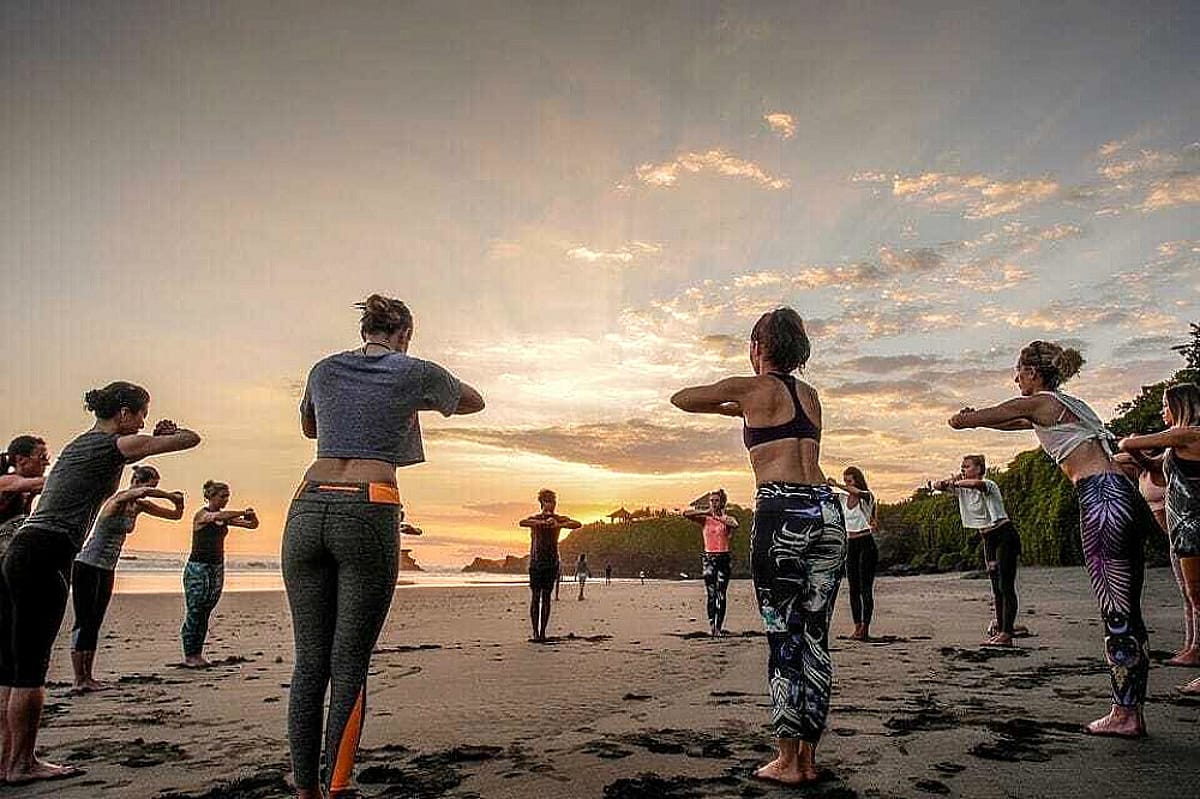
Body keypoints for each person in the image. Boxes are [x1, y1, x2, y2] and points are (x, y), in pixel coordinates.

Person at [284, 294, 483, 799]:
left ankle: (305, 790)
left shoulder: (324, 369)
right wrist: (417, 394)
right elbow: (473, 401)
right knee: (349, 659)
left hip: (307, 504)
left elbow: (311, 427)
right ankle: (339, 784)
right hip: (368, 506)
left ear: (365, 328)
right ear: (405, 335)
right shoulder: (415, 370)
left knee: (310, 661)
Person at [672, 307, 845, 785]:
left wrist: (730, 404)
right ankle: (807, 758)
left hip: (783, 510)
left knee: (783, 636)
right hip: (827, 513)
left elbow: (682, 398)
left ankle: (788, 761)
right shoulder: (810, 395)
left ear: (757, 348)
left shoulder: (752, 388)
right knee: (815, 637)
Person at [949, 341, 1156, 737]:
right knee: (1129, 609)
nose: (1015, 378)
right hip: (1123, 494)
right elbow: (1013, 422)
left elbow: (1002, 412)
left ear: (1033, 373)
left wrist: (964, 419)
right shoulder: (1069, 406)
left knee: (1116, 611)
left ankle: (1125, 714)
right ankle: (1131, 709)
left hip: (1101, 500)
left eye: (1018, 371)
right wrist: (984, 420)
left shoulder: (1040, 401)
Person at [2, 383, 199, 784]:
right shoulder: (112, 444)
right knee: (31, 667)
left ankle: (7, 760)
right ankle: (22, 764)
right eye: (141, 414)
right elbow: (191, 439)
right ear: (124, 413)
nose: (142, 421)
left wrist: (150, 436)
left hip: (23, 551)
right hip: (47, 551)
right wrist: (163, 435)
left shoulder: (82, 444)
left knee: (9, 663)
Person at [72, 465, 185, 690]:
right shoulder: (119, 499)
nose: (151, 490)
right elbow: (138, 493)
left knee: (95, 621)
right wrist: (167, 494)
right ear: (136, 481)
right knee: (84, 621)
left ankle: (89, 676)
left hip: (107, 567)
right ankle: (79, 679)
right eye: (151, 486)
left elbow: (175, 516)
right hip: (87, 565)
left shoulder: (139, 506)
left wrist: (178, 502)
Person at [1118, 383, 1200, 683]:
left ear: (1180, 405)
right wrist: (1141, 457)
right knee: (1192, 594)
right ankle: (1195, 649)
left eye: (1165, 405)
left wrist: (1129, 442)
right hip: (1183, 528)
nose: (1161, 410)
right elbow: (1154, 466)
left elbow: (1129, 444)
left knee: (1198, 596)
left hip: (1194, 525)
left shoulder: (1188, 434)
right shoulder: (1177, 443)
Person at [931, 455, 1022, 646]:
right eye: (961, 467)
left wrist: (958, 480)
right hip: (988, 540)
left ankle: (1007, 633)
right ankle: (1001, 629)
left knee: (1006, 585)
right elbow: (937, 486)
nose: (963, 469)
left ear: (979, 469)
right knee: (996, 588)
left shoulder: (988, 484)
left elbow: (976, 485)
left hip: (1004, 535)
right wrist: (948, 481)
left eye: (967, 466)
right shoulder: (962, 491)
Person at [0, 435, 49, 782]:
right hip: (3, 575)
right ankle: (15, 760)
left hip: (10, 575)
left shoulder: (22, 487)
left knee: (9, 662)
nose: (45, 461)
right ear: (20, 458)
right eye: (41, 456)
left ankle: (9, 756)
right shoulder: (7, 480)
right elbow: (31, 483)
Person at [181, 481, 257, 668]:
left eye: (227, 497)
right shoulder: (203, 514)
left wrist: (251, 516)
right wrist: (241, 512)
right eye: (223, 496)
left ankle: (197, 653)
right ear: (211, 496)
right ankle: (190, 654)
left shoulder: (225, 518)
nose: (225, 500)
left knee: (206, 609)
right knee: (195, 610)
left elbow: (251, 526)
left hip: (216, 567)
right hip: (199, 568)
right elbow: (219, 515)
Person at [520, 490, 581, 641]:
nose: (551, 505)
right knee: (535, 597)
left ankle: (543, 633)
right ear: (542, 503)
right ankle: (535, 632)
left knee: (546, 597)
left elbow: (577, 524)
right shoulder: (535, 519)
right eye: (547, 501)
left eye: (553, 502)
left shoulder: (558, 518)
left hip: (551, 563)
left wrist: (557, 524)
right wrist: (542, 523)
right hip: (535, 563)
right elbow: (523, 522)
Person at [826, 468, 877, 640]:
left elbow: (856, 492)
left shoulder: (867, 496)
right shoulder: (843, 499)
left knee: (865, 588)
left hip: (866, 543)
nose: (847, 484)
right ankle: (857, 627)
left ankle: (865, 627)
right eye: (845, 481)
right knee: (853, 589)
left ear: (857, 481)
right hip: (851, 544)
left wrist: (838, 485)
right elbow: (824, 494)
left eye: (850, 481)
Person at [682, 489, 740, 636]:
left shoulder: (727, 519)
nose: (714, 503)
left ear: (722, 503)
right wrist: (707, 512)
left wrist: (717, 516)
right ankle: (712, 626)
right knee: (711, 593)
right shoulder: (705, 519)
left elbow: (734, 524)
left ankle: (719, 628)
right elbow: (686, 513)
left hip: (723, 558)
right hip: (709, 558)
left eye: (716, 501)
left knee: (721, 593)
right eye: (711, 501)